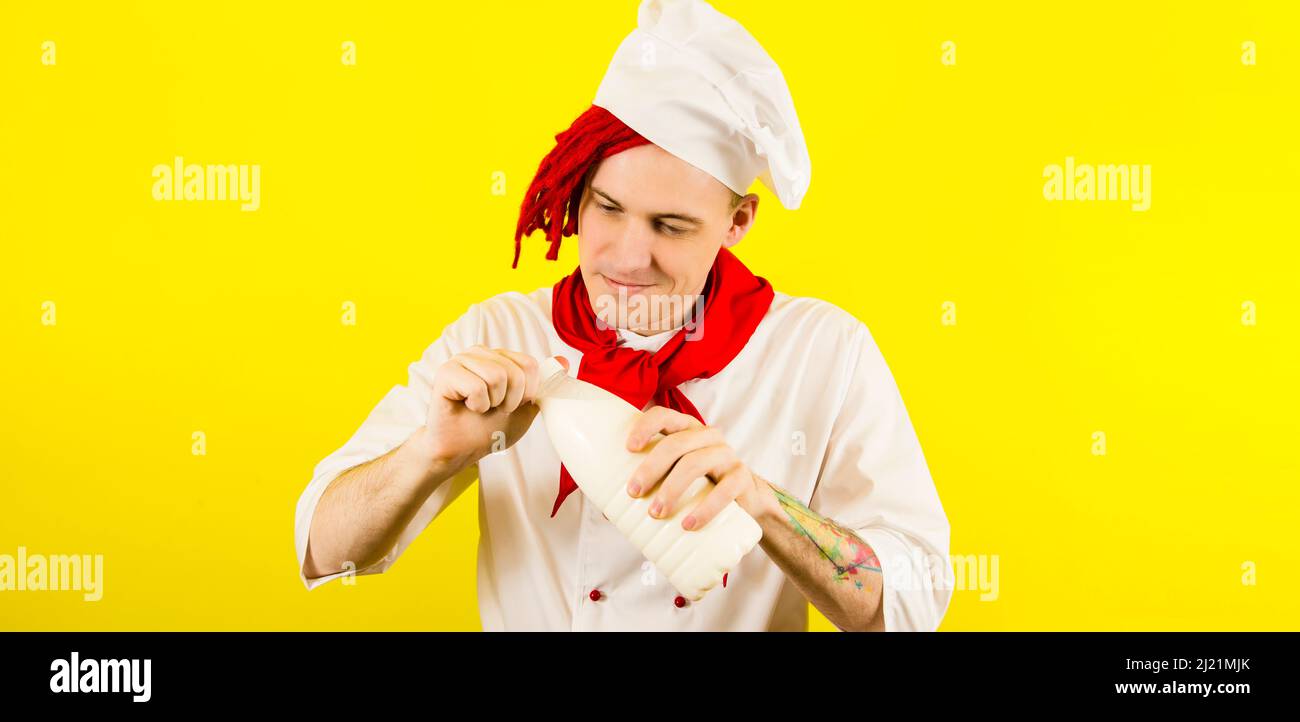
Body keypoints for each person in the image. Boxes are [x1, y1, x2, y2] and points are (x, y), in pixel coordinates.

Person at [294, 0, 952, 631]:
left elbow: (913, 602)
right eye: (607, 208)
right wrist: (428, 454)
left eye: (671, 225)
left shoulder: (822, 353)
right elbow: (325, 550)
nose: (629, 257)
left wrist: (760, 503)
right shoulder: (499, 338)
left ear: (738, 222)